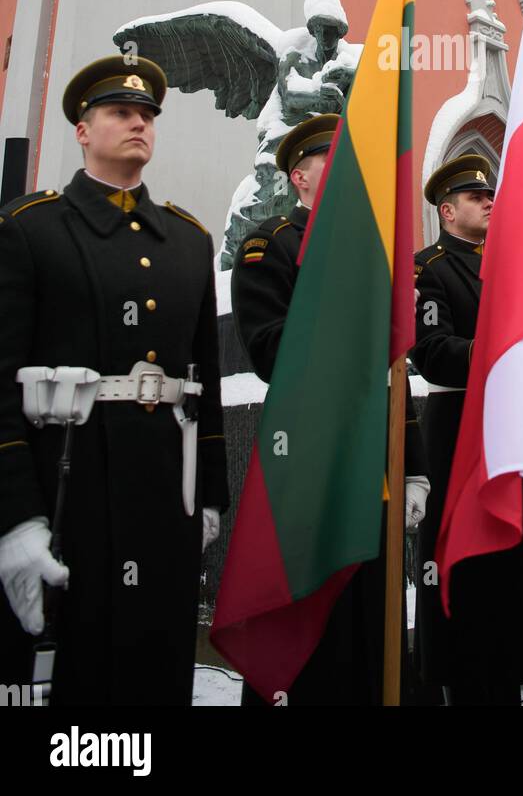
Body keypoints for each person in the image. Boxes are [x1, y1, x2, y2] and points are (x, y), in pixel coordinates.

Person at [0, 55, 228, 706]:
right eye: (120, 113)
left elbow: (203, 377)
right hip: (70, 490)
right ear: (82, 129)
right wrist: (15, 517)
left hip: (163, 495)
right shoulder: (29, 228)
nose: (139, 124)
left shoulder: (188, 240)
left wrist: (209, 497)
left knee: (157, 664)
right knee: (80, 671)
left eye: (147, 115)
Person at [231, 113, 429, 705]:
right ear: (300, 176)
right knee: (314, 616)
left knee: (375, 616)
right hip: (309, 459)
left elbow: (392, 375)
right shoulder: (271, 244)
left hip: (372, 461)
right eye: (331, 159)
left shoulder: (372, 253)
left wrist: (413, 464)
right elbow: (272, 350)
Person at [412, 154, 523, 706]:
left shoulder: (514, 269)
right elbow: (433, 352)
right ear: (447, 212)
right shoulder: (430, 269)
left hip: (513, 431)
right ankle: (467, 688)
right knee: (465, 572)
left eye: (490, 193)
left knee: (514, 566)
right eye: (475, 196)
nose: (490, 200)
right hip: (458, 433)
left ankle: (507, 685)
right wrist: (510, 352)